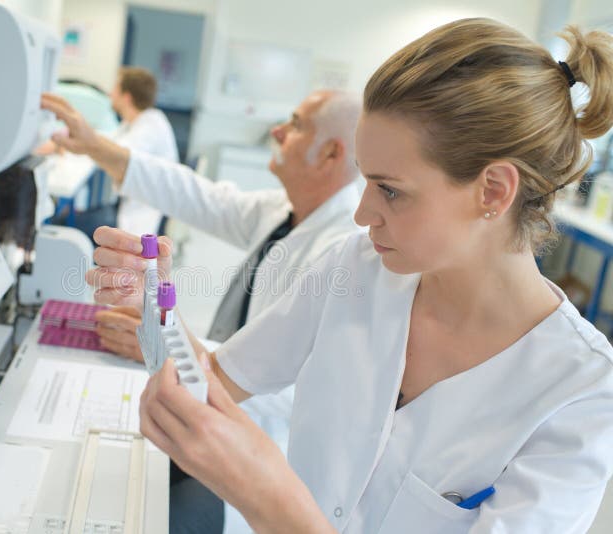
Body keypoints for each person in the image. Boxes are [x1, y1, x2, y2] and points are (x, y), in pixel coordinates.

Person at [59, 18, 613, 533]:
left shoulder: (580, 392)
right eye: (367, 182)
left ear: (493, 191)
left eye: (391, 190)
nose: (361, 212)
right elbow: (214, 386)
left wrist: (269, 498)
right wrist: (158, 303)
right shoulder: (356, 269)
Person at [42, 89, 362, 532]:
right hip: (212, 417)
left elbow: (303, 389)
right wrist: (95, 145)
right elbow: (200, 197)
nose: (276, 130)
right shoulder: (290, 211)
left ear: (330, 153)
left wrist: (177, 343)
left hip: (262, 463)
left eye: (295, 124)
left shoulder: (348, 248)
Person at [108, 66, 179, 235]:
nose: (110, 94)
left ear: (126, 97)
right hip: (137, 201)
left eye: (115, 89)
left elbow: (115, 152)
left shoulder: (151, 126)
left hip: (147, 211)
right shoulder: (135, 122)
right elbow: (109, 141)